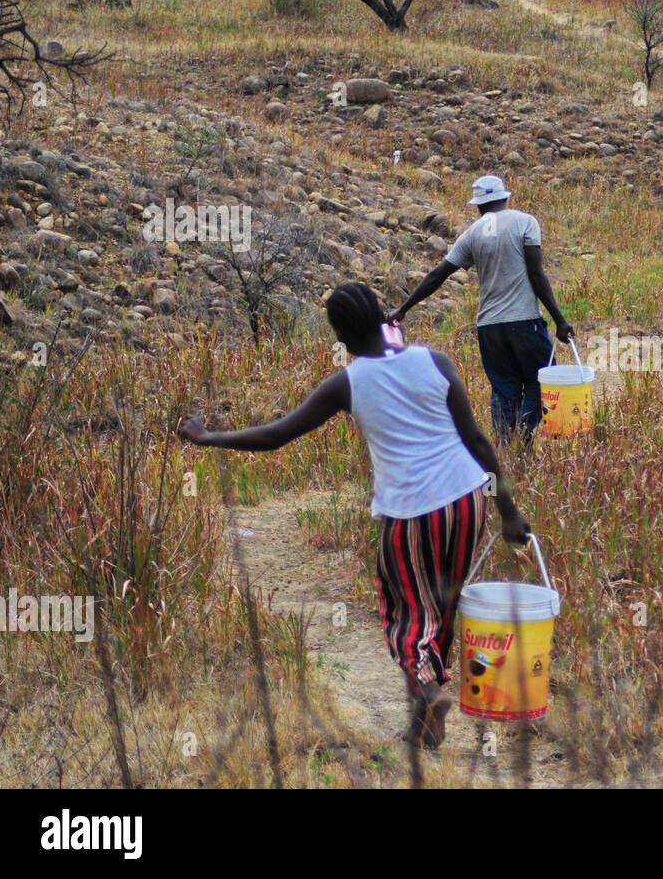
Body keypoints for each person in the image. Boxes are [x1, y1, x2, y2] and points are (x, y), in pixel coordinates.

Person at [176, 282, 531, 749]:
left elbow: (277, 435)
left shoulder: (348, 382)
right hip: (467, 499)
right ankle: (426, 722)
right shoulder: (434, 361)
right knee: (440, 609)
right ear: (386, 315)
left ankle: (429, 693)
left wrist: (208, 438)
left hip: (409, 512)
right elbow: (479, 442)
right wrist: (509, 512)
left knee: (405, 614)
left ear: (340, 337)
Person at [390, 175, 574, 443]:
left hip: (489, 327)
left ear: (478, 205)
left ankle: (503, 446)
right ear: (505, 198)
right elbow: (536, 274)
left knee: (503, 388)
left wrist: (403, 308)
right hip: (523, 321)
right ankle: (524, 437)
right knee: (541, 381)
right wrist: (560, 320)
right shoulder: (525, 222)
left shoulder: (472, 234)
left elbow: (437, 275)